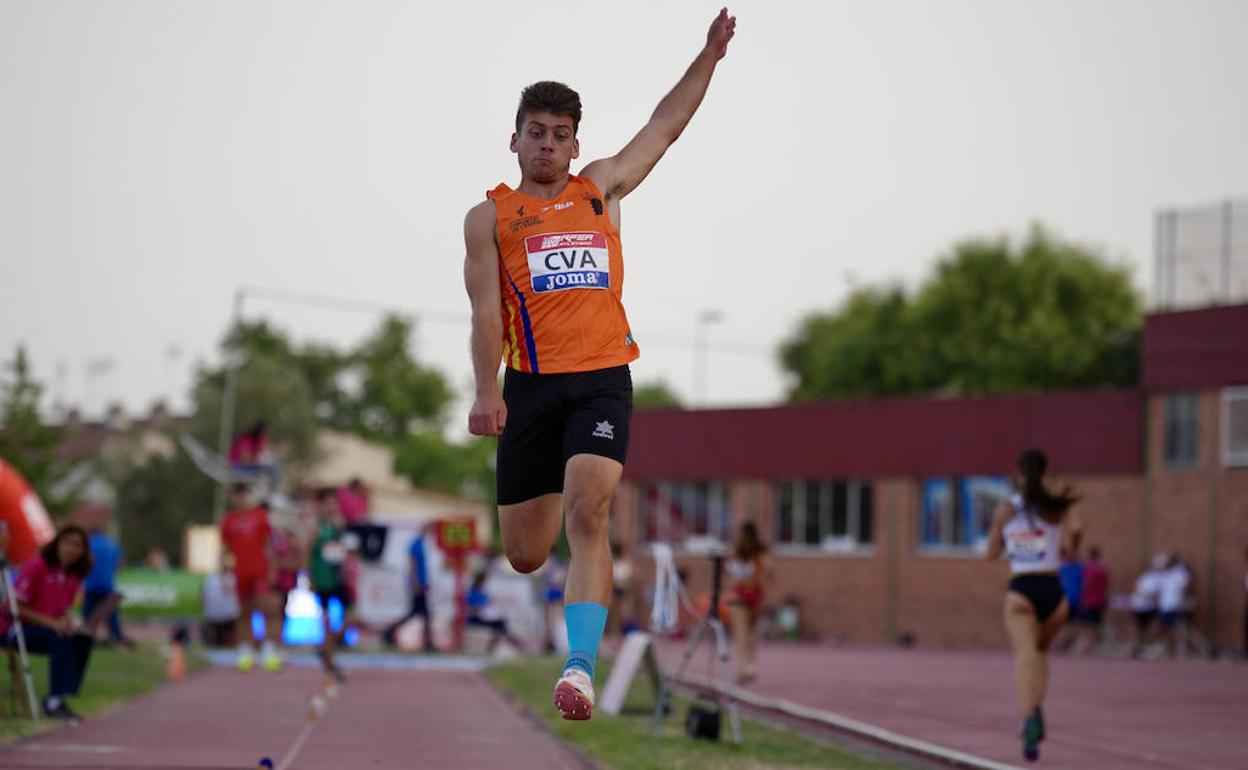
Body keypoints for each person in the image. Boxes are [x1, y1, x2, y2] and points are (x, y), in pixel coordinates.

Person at [463, 8, 736, 722]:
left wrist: (707, 57)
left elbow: (665, 126)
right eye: (536, 133)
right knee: (525, 553)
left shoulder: (601, 189)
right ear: (515, 140)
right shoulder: (489, 218)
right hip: (529, 388)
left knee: (592, 512)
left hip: (600, 381)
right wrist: (484, 390)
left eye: (560, 136)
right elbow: (487, 315)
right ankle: (560, 580)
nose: (548, 146)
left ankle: (578, 669)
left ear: (574, 143)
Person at [985, 449, 1081, 762]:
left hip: (1022, 589)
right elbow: (1074, 535)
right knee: (1039, 655)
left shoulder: (1006, 508)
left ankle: (1028, 719)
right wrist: (1067, 549)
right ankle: (1036, 708)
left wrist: (1011, 539)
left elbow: (991, 553)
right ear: (1046, 470)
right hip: (1053, 590)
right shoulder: (1055, 507)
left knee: (1025, 657)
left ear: (1018, 472)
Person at [0, 525, 95, 721]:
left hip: (45, 628)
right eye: (68, 543)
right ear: (57, 543)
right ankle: (52, 701)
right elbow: (14, 607)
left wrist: (69, 620)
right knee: (58, 638)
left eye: (78, 546)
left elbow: (60, 609)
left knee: (83, 638)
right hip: (13, 628)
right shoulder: (38, 566)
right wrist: (53, 624)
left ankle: (61, 696)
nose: (73, 549)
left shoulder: (72, 576)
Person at [220, 483, 282, 672]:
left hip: (260, 571)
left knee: (267, 609)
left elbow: (269, 544)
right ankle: (246, 650)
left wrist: (272, 568)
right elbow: (225, 549)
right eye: (236, 495)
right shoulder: (228, 520)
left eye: (243, 495)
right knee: (244, 611)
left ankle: (269, 649)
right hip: (240, 572)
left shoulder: (259, 516)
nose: (240, 499)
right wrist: (224, 573)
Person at [307, 487, 354, 680]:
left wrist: (345, 566)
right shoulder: (315, 526)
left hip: (338, 578)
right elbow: (307, 551)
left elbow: (343, 549)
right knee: (325, 620)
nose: (331, 507)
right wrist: (309, 577)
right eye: (328, 503)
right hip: (322, 578)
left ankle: (326, 647)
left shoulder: (337, 525)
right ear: (320, 505)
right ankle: (330, 660)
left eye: (334, 503)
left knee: (352, 614)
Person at [726, 522, 771, 685]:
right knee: (748, 632)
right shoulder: (758, 552)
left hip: (743, 594)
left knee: (742, 632)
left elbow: (730, 574)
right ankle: (750, 664)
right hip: (754, 593)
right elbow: (768, 573)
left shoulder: (740, 552)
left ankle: (744, 665)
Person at [82, 520, 133, 648]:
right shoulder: (110, 544)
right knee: (111, 614)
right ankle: (117, 638)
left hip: (91, 585)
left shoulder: (87, 544)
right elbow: (121, 563)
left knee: (89, 614)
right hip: (107, 585)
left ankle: (87, 638)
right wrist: (110, 570)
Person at [385, 524, 434, 652]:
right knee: (422, 613)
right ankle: (428, 641)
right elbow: (412, 564)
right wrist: (415, 582)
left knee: (417, 613)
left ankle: (390, 631)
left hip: (420, 583)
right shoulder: (416, 544)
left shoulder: (422, 545)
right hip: (417, 584)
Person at [466, 572, 523, 655]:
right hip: (475, 619)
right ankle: (510, 644)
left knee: (501, 624)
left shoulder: (483, 593)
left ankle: (493, 646)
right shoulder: (472, 593)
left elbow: (488, 606)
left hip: (485, 617)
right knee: (500, 625)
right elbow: (472, 610)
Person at [1071, 545, 1109, 655]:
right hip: (1100, 600)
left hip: (1090, 601)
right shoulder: (1103, 568)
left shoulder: (1090, 568)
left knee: (1088, 625)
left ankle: (1087, 647)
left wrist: (1081, 590)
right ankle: (1097, 646)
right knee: (1095, 624)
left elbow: (1087, 584)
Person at [1129, 554, 1167, 657]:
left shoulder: (1164, 578)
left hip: (1151, 606)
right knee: (1136, 627)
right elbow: (1137, 587)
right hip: (1139, 605)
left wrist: (1149, 596)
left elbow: (1160, 593)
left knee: (1152, 627)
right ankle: (1136, 648)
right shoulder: (1147, 575)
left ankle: (1150, 647)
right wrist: (1141, 594)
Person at [1156, 553, 1191, 659]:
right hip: (1164, 604)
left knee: (1171, 628)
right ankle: (1167, 650)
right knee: (1164, 628)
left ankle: (1173, 651)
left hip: (1174, 604)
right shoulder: (1165, 574)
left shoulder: (1180, 573)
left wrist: (1183, 602)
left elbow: (1185, 587)